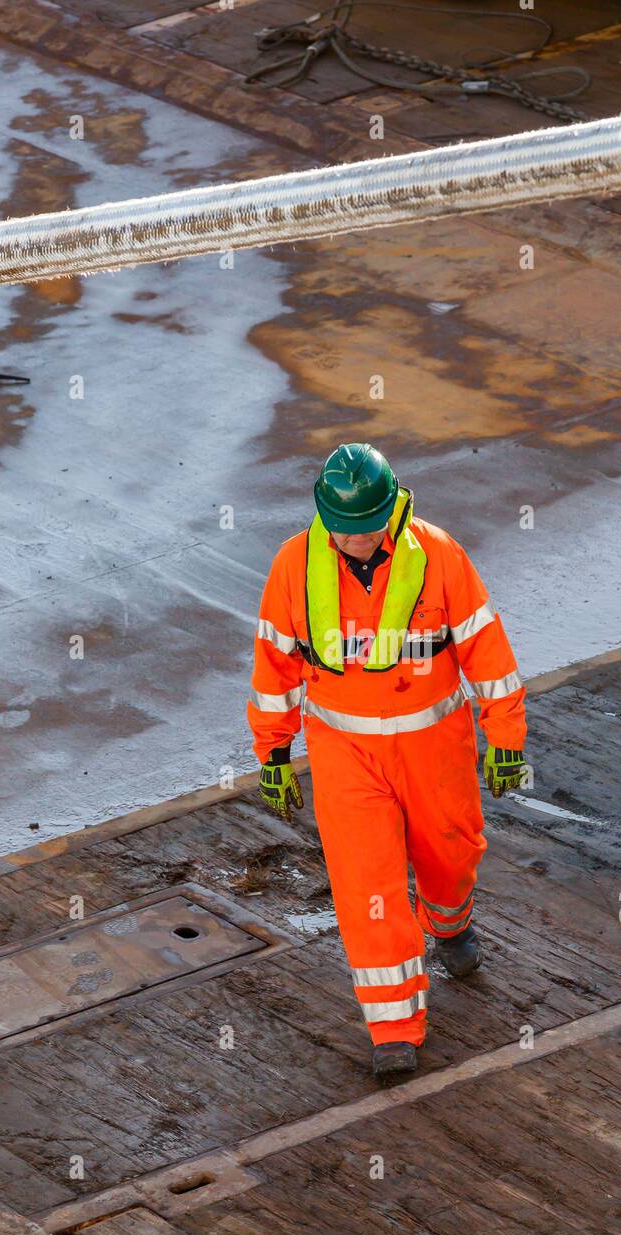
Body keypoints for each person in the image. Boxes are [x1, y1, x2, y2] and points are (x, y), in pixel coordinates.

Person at [248, 443, 528, 1080]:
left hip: (434, 746)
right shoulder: (294, 567)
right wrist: (272, 750)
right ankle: (394, 1027)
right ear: (327, 523)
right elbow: (274, 668)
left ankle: (451, 923)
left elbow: (487, 649)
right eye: (344, 534)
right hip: (344, 752)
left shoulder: (439, 556)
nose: (357, 544)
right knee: (365, 886)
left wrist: (506, 737)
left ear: (394, 513)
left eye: (369, 530)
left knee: (450, 851)